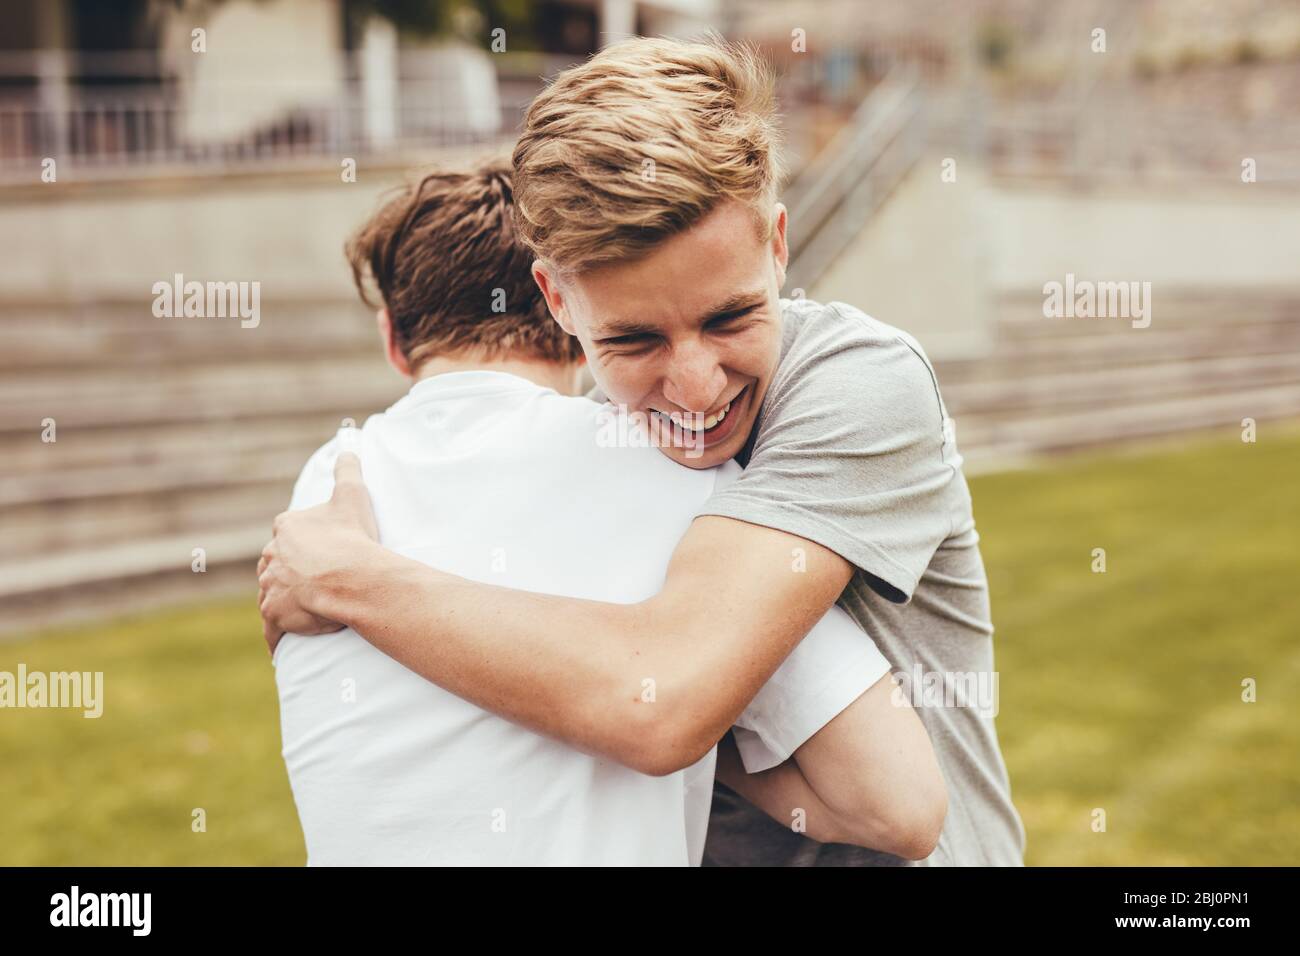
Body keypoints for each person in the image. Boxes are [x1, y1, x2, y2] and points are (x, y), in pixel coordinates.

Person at [261, 36, 1024, 866]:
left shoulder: (859, 384)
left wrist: (350, 580)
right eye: (633, 340)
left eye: (729, 318)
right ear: (557, 301)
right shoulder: (602, 447)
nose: (694, 389)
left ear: (777, 246)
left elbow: (661, 701)